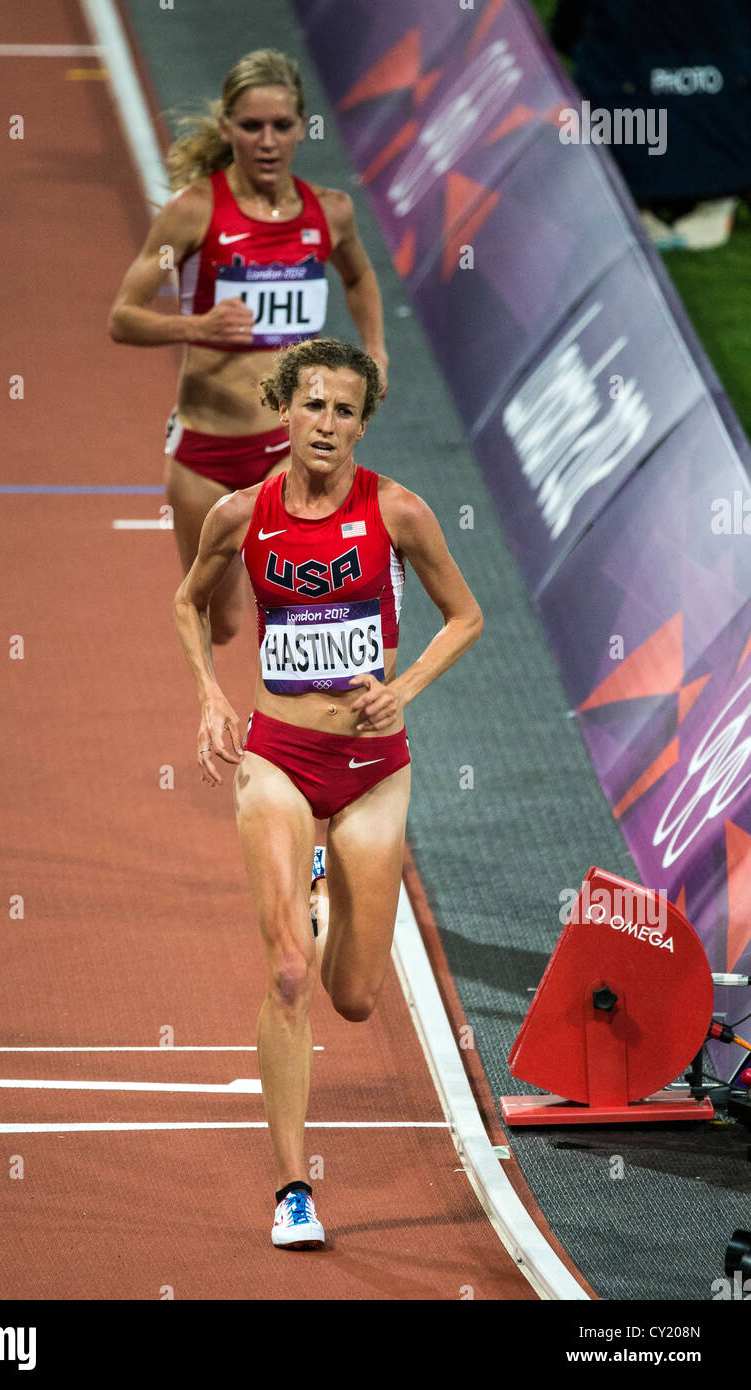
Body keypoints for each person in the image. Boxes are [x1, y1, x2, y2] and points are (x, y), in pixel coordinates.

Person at [174, 337, 483, 1249]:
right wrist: (206, 696)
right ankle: (293, 1190)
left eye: (346, 410)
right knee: (285, 970)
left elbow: (465, 615)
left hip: (375, 770)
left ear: (362, 422)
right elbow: (190, 602)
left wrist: (407, 685)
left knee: (353, 995)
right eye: (314, 404)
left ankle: (323, 881)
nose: (328, 424)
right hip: (276, 756)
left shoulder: (398, 510)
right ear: (284, 407)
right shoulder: (240, 514)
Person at [109, 49, 388, 645]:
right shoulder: (193, 214)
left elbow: (360, 277)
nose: (267, 141)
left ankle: (305, 728)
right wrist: (196, 327)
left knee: (314, 602)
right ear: (226, 129)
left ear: (300, 129)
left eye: (282, 126)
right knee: (226, 622)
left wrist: (377, 350)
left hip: (291, 445)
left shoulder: (328, 213)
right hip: (206, 451)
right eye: (252, 126)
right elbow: (124, 318)